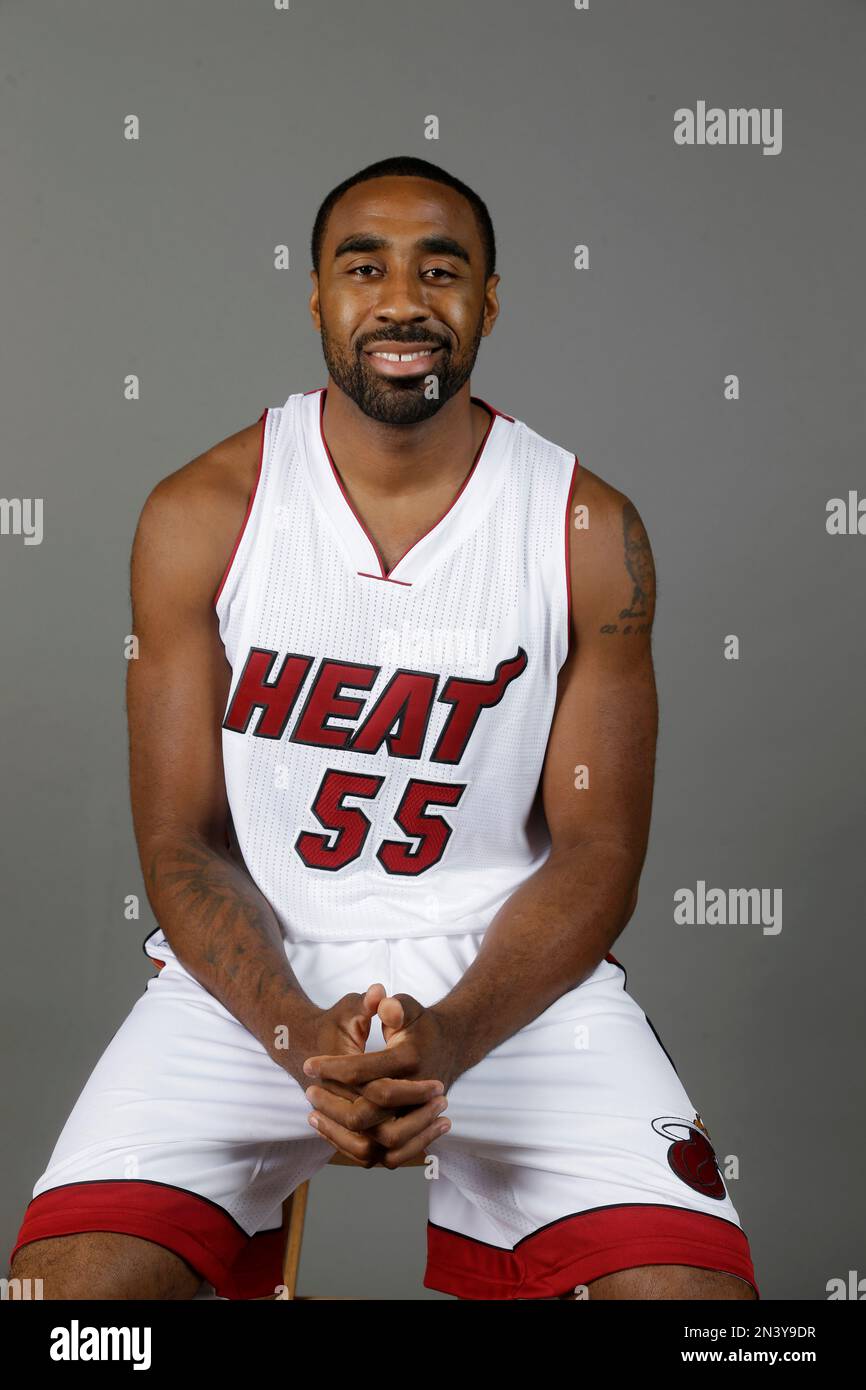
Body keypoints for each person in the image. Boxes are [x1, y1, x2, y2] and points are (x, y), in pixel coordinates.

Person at [9, 155, 758, 1300]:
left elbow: (600, 849)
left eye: (440, 269)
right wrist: (294, 1033)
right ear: (316, 295)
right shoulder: (201, 512)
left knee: (709, 1325)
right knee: (67, 1309)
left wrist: (452, 1036)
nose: (402, 299)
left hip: (509, 984)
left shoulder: (585, 527)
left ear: (489, 301)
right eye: (365, 267)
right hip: (255, 982)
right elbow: (181, 842)